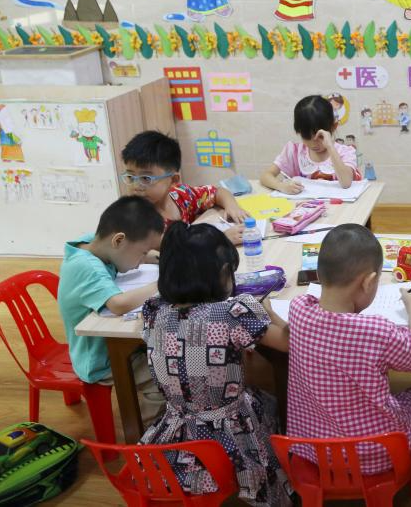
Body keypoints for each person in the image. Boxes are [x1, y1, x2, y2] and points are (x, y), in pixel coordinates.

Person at [140, 222, 291, 507]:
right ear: (225, 274)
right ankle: (269, 488)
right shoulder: (231, 313)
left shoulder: (155, 310)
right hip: (229, 432)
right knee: (270, 404)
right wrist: (270, 312)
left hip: (176, 424)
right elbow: (286, 342)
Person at [286, 224, 411, 472]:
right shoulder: (376, 331)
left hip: (312, 451)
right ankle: (409, 468)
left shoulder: (299, 309)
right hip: (376, 456)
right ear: (369, 282)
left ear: (319, 274)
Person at [57, 196, 165, 424]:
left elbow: (145, 254)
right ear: (118, 240)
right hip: (100, 358)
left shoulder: (94, 244)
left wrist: (162, 257)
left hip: (109, 344)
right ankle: (149, 438)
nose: (141, 261)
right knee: (163, 378)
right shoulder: (86, 266)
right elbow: (119, 304)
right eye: (141, 252)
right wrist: (164, 282)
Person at [121, 131, 247, 245]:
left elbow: (217, 192)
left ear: (173, 180)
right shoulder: (137, 218)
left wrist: (232, 207)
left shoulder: (182, 195)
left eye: (145, 179)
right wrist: (221, 239)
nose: (136, 186)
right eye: (131, 177)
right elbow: (175, 249)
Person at [260, 95, 360, 194]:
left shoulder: (345, 151)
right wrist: (281, 186)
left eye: (320, 137)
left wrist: (330, 147)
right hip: (304, 207)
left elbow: (346, 183)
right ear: (298, 132)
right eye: (307, 137)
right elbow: (265, 176)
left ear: (334, 127)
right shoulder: (294, 151)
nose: (313, 144)